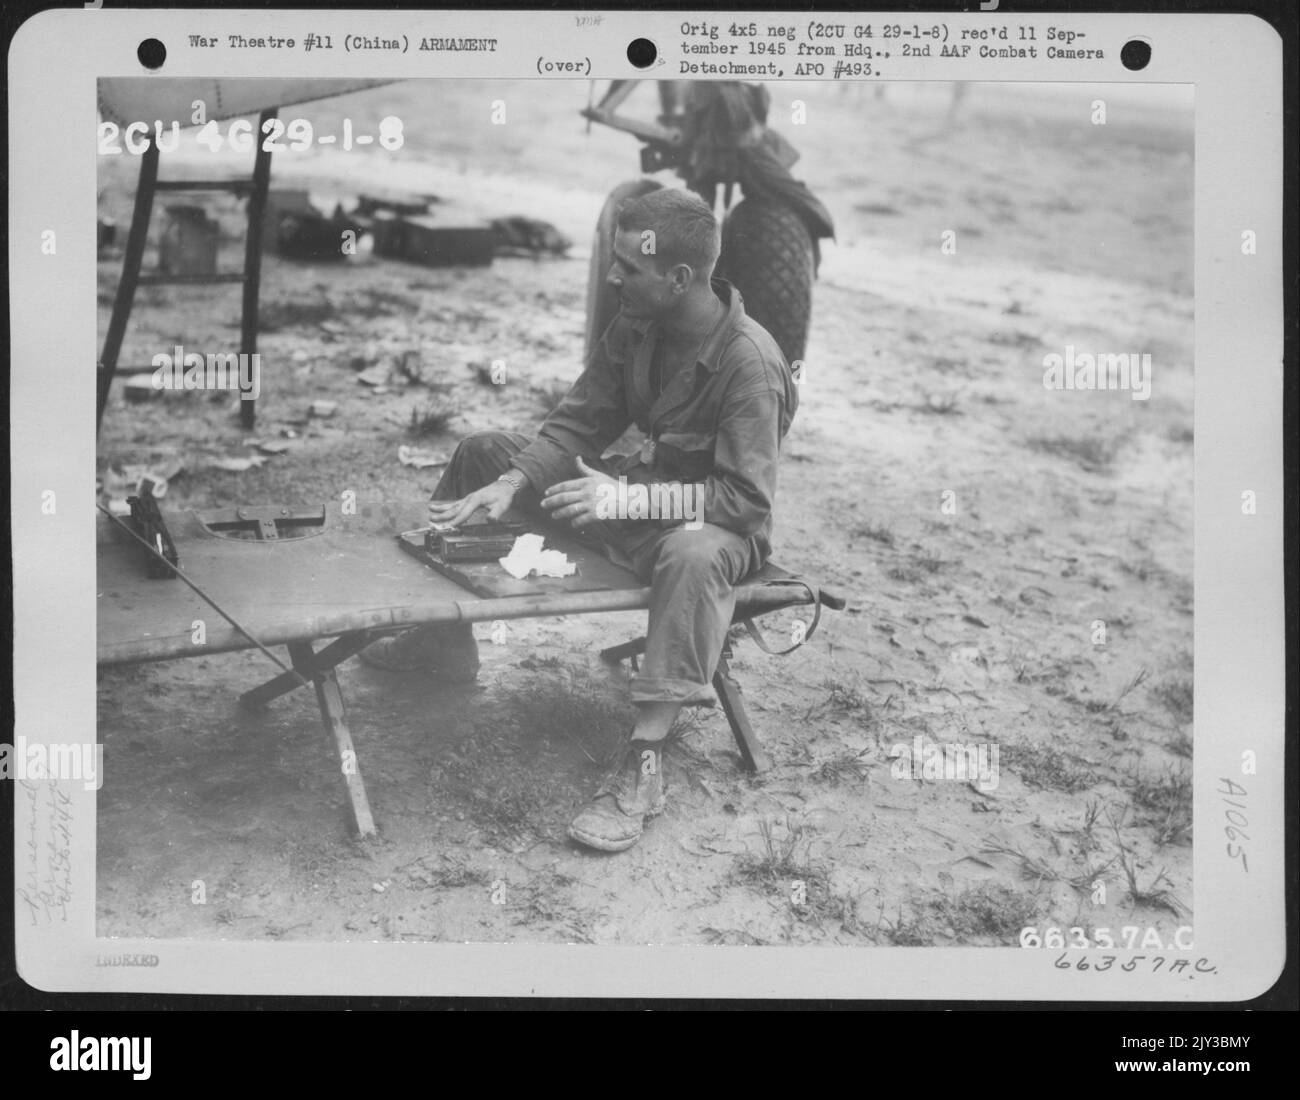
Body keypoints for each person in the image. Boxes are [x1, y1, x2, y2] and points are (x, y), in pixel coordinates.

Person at [360, 187, 798, 852]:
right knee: (485, 454)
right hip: (630, 497)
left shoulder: (750, 364)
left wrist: (627, 500)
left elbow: (744, 500)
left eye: (628, 265)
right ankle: (443, 644)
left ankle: (644, 768)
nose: (613, 275)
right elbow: (581, 418)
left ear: (680, 279)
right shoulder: (638, 322)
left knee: (696, 556)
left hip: (707, 526)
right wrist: (513, 480)